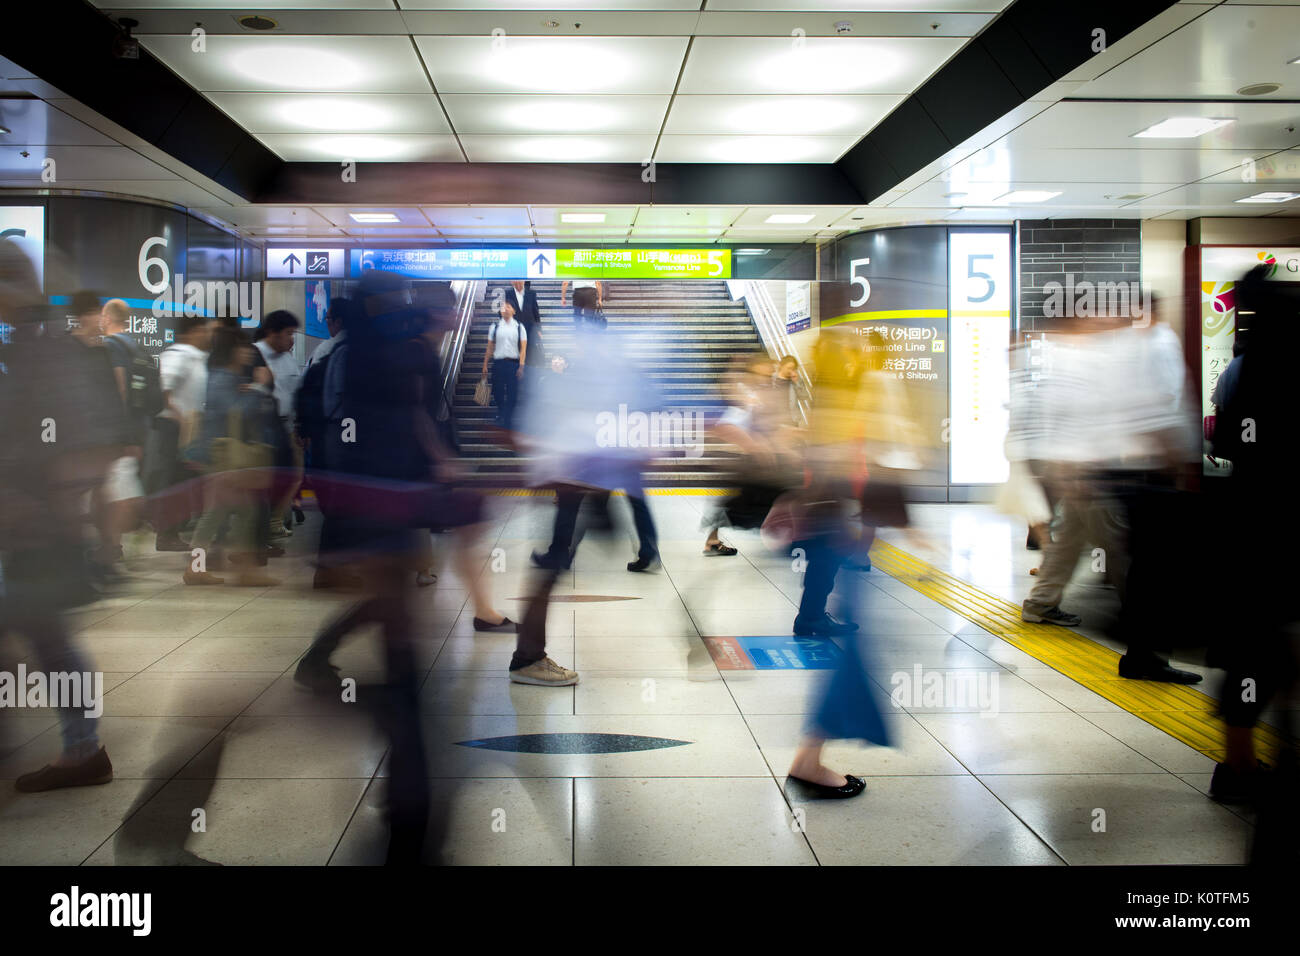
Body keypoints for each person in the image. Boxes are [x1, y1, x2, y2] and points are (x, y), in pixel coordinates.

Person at [1, 245, 127, 791]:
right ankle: (81, 747)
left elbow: (86, 440)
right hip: (31, 520)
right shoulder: (37, 343)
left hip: (34, 526)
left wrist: (51, 504)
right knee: (43, 633)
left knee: (47, 634)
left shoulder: (44, 348)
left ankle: (82, 748)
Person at [181, 325, 278, 587]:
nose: (248, 352)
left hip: (225, 455)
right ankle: (201, 567)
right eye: (242, 347)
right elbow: (237, 412)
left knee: (238, 512)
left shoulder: (229, 377)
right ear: (231, 350)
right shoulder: (222, 378)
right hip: (221, 456)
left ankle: (232, 568)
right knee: (219, 514)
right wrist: (258, 388)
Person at [99, 298, 154, 574]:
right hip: (140, 426)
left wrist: (118, 431)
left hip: (121, 429)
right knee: (122, 484)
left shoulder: (111, 347)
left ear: (107, 317)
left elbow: (119, 389)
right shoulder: (135, 347)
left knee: (114, 487)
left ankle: (113, 544)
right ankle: (117, 542)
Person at [150, 314, 213, 552]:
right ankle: (166, 534)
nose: (206, 335)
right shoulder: (178, 355)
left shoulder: (198, 357)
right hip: (175, 428)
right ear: (191, 332)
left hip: (191, 428)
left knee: (186, 480)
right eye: (202, 330)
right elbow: (164, 388)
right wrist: (179, 416)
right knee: (175, 481)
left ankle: (173, 530)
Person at [252, 310, 303, 540]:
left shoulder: (289, 360)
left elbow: (296, 394)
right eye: (288, 333)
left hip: (287, 427)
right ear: (273, 333)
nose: (291, 339)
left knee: (292, 476)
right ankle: (263, 529)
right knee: (263, 481)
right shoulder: (254, 355)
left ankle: (274, 520)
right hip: (261, 429)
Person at [480, 298, 527, 431]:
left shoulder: (519, 327)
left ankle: (506, 419)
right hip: (498, 364)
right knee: (497, 392)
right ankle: (503, 414)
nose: (505, 309)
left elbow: (523, 348)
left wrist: (521, 366)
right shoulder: (494, 326)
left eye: (508, 306)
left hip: (513, 364)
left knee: (513, 394)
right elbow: (489, 347)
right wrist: (485, 364)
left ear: (514, 311)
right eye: (503, 307)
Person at [505, 279, 545, 371]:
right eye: (516, 281)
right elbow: (502, 311)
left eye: (521, 281)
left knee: (530, 355)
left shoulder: (531, 293)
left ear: (525, 281)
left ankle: (529, 376)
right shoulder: (507, 293)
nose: (518, 283)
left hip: (530, 330)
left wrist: (539, 329)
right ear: (512, 282)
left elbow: (536, 312)